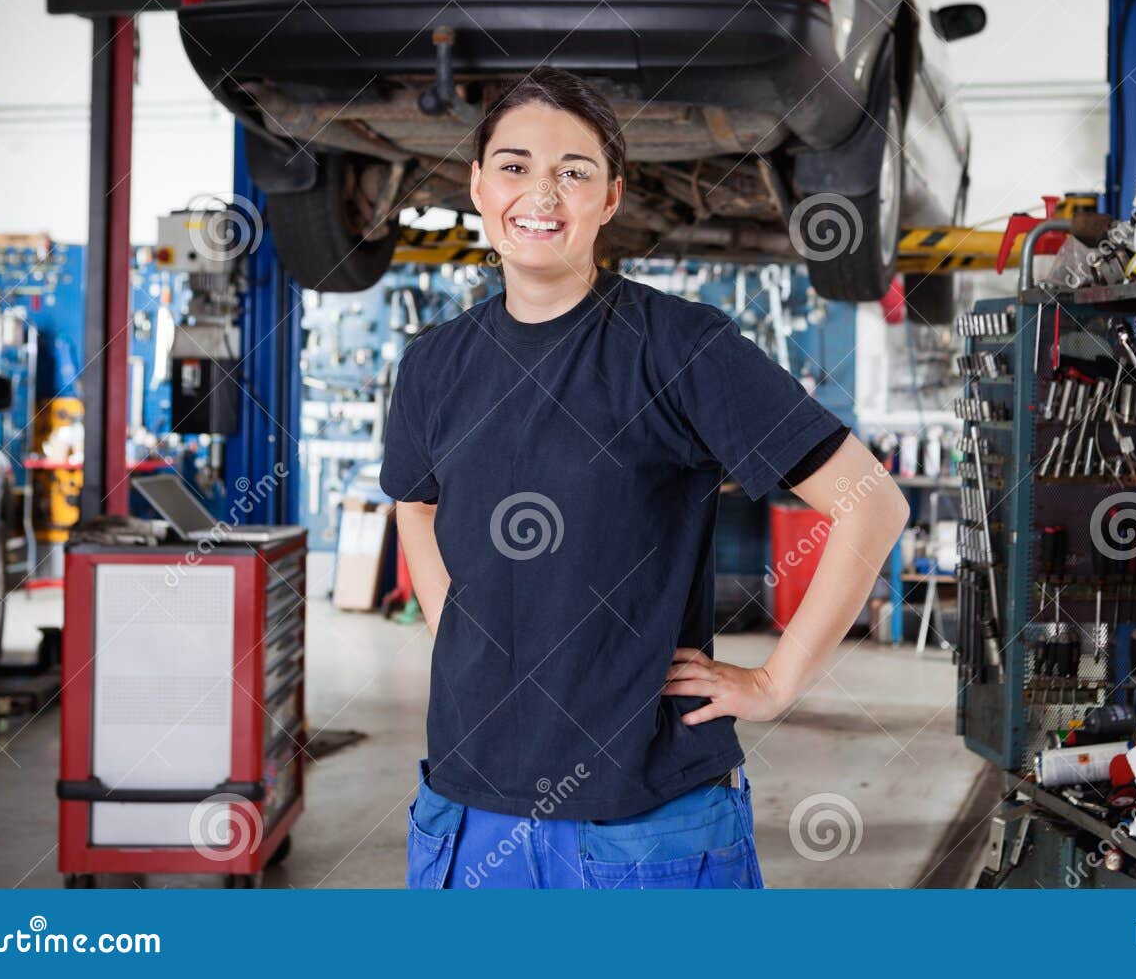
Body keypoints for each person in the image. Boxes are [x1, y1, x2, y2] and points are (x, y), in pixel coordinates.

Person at [382, 67, 910, 889]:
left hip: (644, 823)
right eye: (516, 166)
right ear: (479, 184)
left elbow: (870, 503)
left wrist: (775, 681)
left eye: (574, 171)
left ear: (611, 197)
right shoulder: (432, 365)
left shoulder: (680, 348)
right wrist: (464, 632)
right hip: (469, 809)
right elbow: (415, 503)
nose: (542, 194)